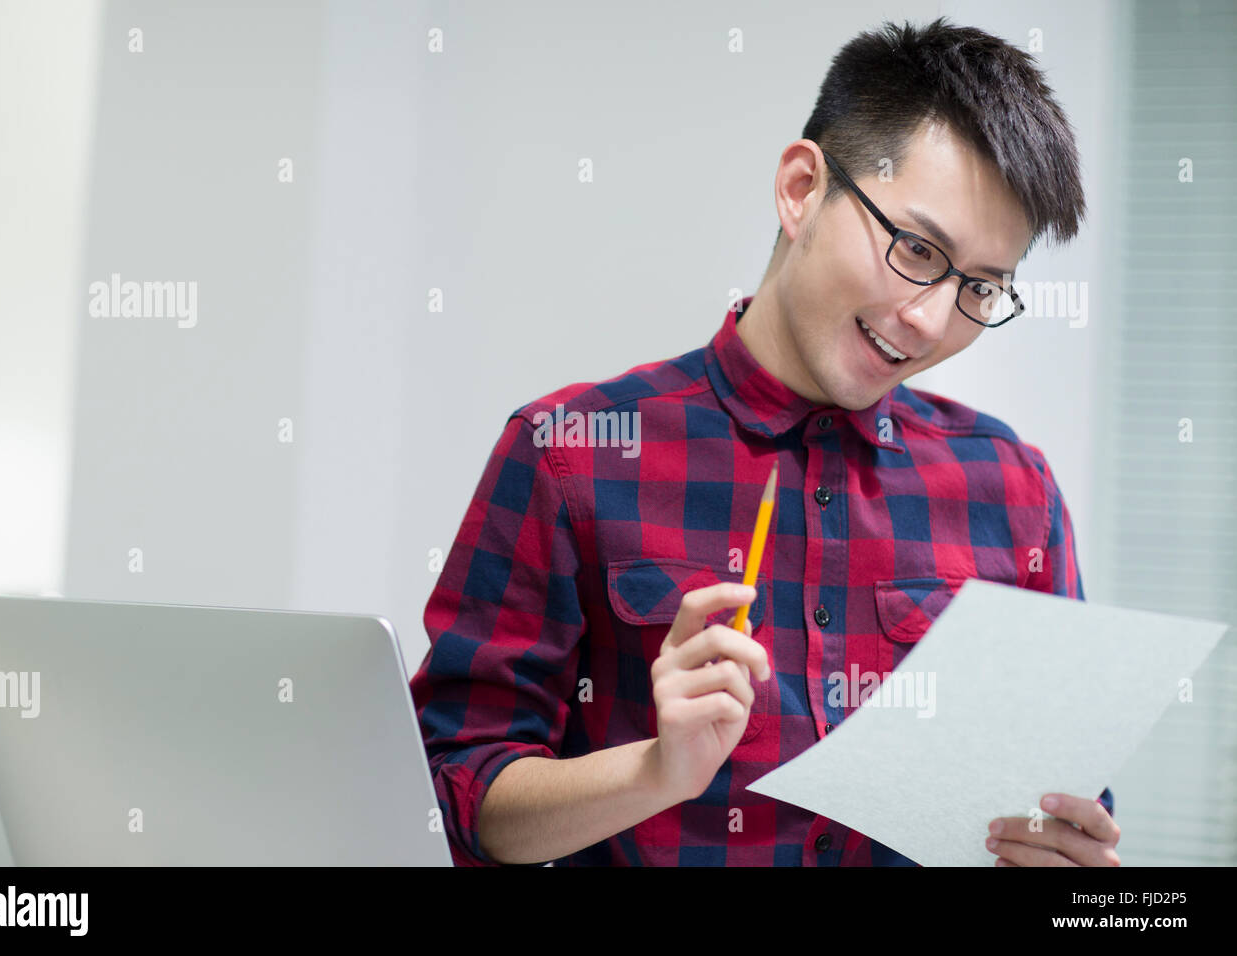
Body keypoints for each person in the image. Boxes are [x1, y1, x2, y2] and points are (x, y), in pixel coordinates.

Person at [408, 16, 1120, 867]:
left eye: (982, 287)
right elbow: (453, 797)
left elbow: (1064, 797)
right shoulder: (571, 455)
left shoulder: (1015, 491)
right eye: (917, 249)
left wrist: (1064, 860)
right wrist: (653, 772)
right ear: (800, 188)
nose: (930, 320)